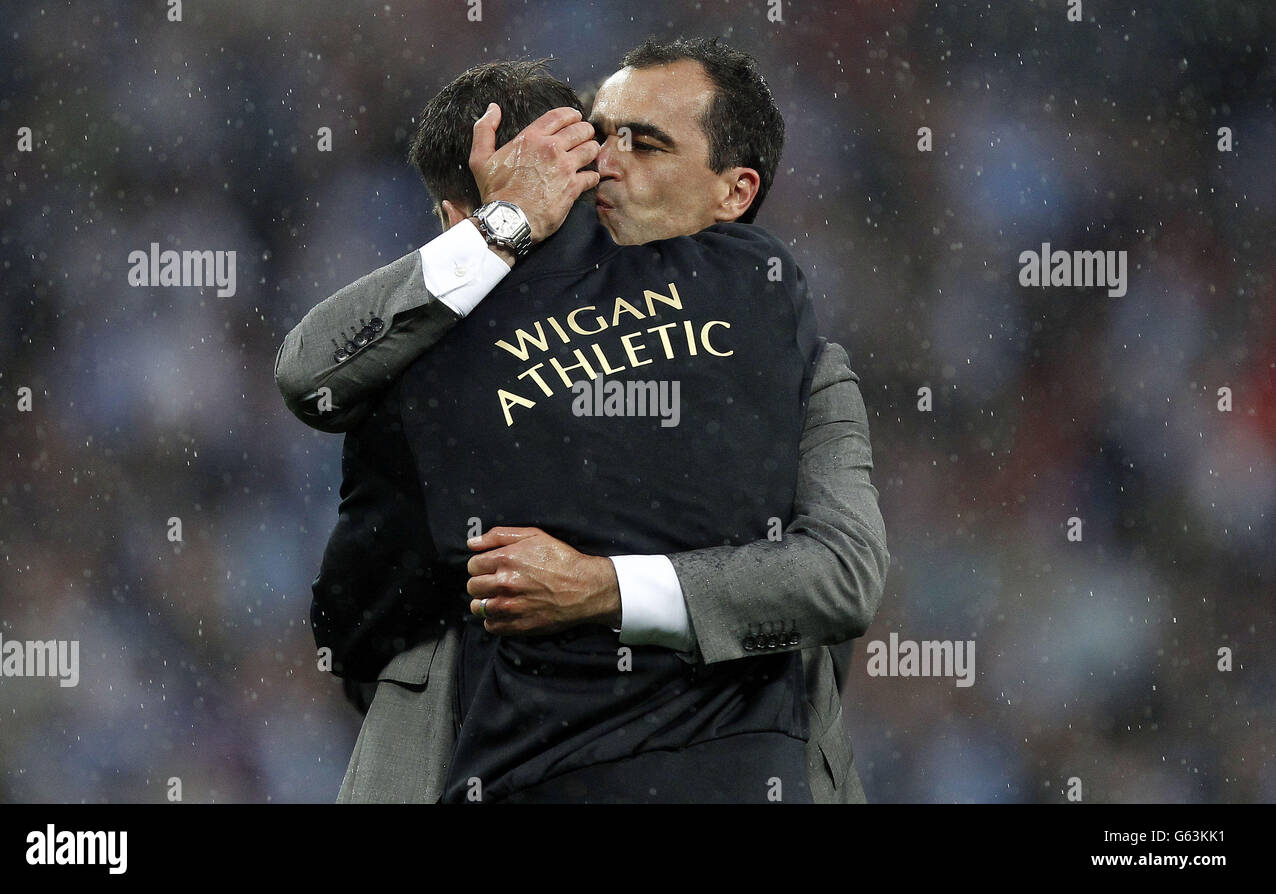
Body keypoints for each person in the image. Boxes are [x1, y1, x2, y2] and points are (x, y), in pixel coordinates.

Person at [277, 40, 889, 802]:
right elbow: (310, 378)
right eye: (594, 137)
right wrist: (501, 225)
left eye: (645, 144)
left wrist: (605, 587)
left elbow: (839, 576)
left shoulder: (800, 364)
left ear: (733, 193)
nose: (604, 163)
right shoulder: (464, 328)